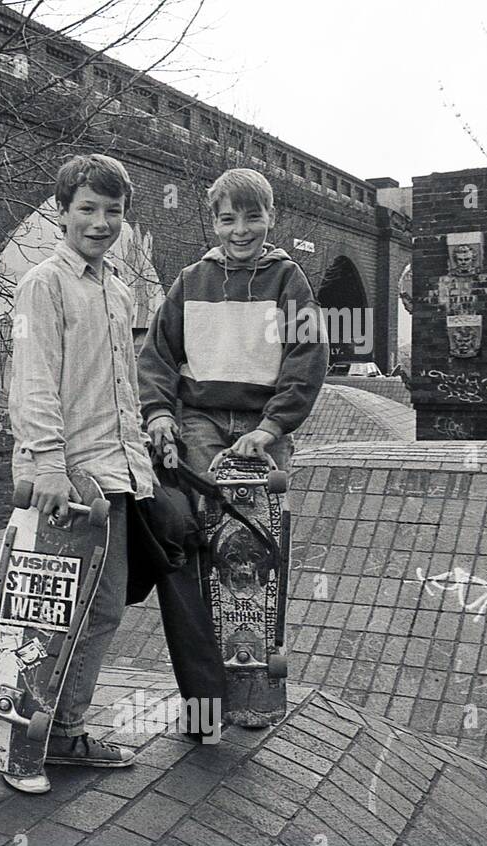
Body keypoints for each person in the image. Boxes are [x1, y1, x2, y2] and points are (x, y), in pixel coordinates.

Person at [137, 167, 327, 734]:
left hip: (261, 424)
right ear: (213, 221)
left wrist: (271, 428)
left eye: (252, 217)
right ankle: (205, 697)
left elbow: (305, 358)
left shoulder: (288, 280)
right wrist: (160, 415)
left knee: (256, 555)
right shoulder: (192, 280)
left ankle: (257, 694)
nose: (239, 229)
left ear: (271, 219)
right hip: (199, 423)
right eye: (227, 218)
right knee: (202, 554)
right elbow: (157, 357)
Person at [1, 153, 155, 794]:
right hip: (66, 476)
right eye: (86, 209)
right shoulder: (44, 283)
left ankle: (62, 732)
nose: (100, 222)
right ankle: (15, 742)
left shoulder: (117, 288)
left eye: (112, 211)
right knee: (43, 617)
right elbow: (33, 377)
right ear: (60, 213)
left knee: (104, 611)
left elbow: (120, 387)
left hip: (114, 477)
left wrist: (145, 447)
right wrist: (47, 465)